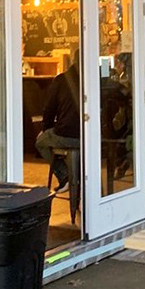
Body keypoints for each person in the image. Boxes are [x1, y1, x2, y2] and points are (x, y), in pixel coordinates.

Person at [36, 50, 80, 192]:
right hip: (92, 137)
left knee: (41, 142)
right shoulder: (95, 79)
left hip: (67, 134)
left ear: (74, 60)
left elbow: (49, 108)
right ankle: (79, 175)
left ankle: (66, 175)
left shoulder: (61, 79)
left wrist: (45, 129)